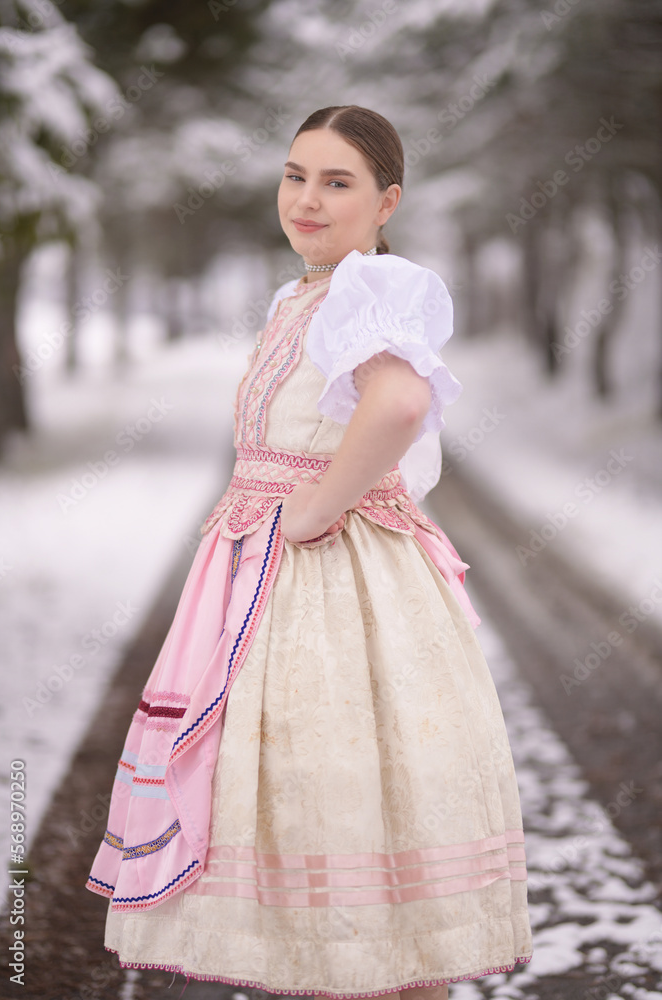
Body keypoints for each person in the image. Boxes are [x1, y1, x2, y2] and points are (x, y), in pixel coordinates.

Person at [86, 104, 533, 999]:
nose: (307, 198)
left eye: (337, 182)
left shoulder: (369, 289)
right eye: (296, 175)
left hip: (330, 582)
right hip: (271, 574)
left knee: (345, 808)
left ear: (386, 201)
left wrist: (312, 510)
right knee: (315, 820)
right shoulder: (305, 294)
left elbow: (400, 406)